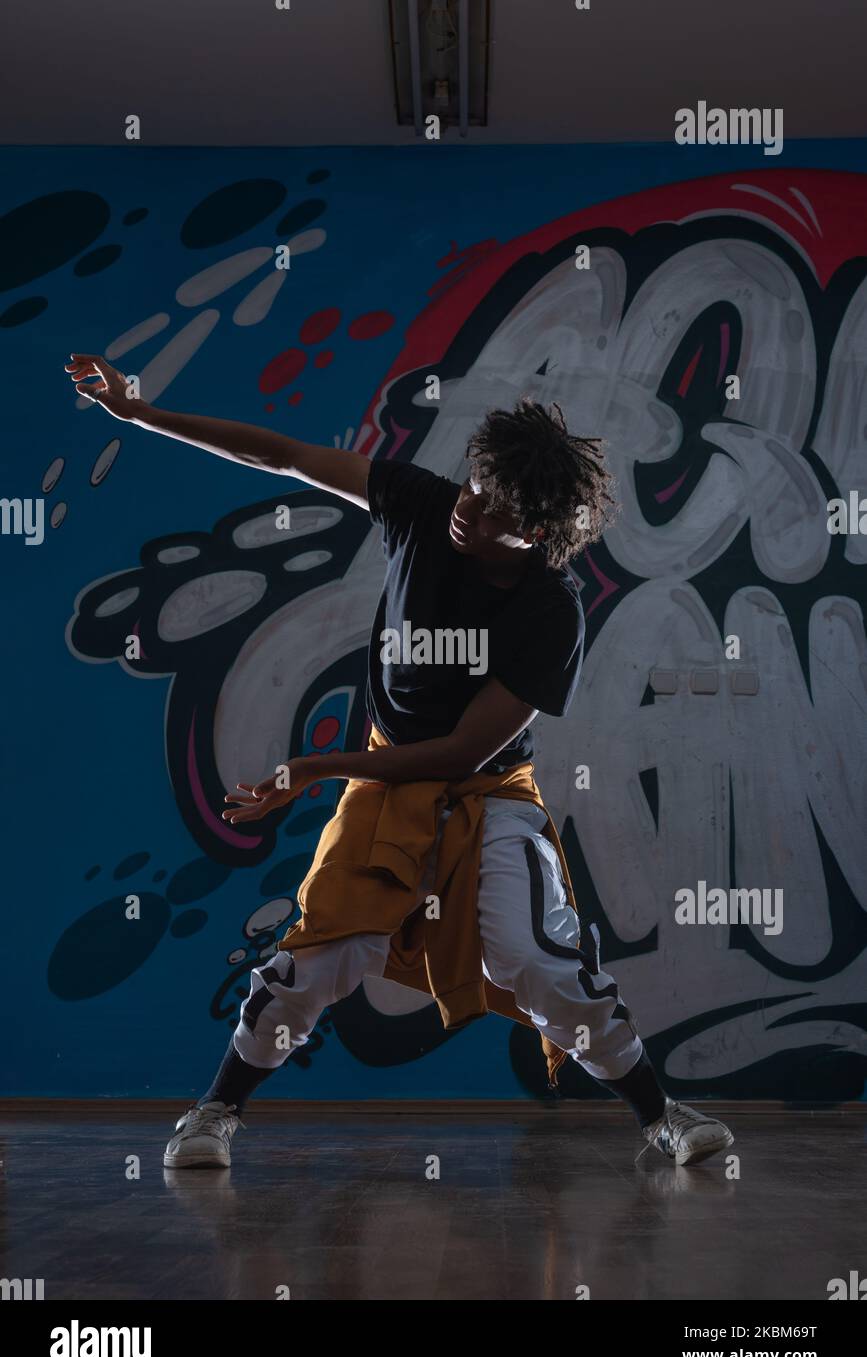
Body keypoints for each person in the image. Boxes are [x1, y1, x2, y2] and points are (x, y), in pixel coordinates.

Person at [64, 354, 735, 1170]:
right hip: (388, 778)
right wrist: (144, 414)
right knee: (318, 951)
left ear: (537, 538)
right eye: (476, 486)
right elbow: (281, 454)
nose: (473, 510)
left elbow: (458, 751)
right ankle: (214, 1112)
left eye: (498, 514)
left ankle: (660, 1116)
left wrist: (313, 770)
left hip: (487, 791)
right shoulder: (425, 504)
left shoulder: (548, 611)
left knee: (531, 957)